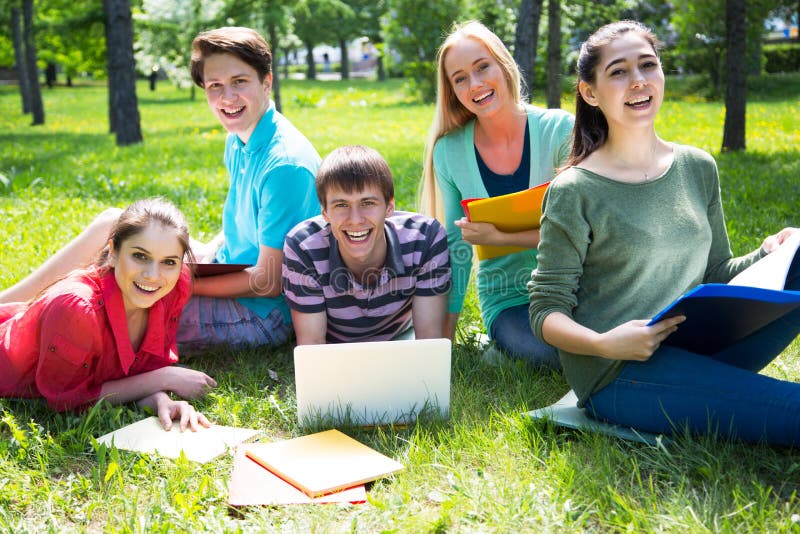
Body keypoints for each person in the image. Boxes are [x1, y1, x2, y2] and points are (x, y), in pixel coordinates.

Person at [528, 20, 800, 446]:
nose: (638, 81)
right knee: (793, 411)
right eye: (618, 71)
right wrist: (604, 344)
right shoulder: (574, 191)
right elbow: (545, 311)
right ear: (590, 92)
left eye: (647, 65)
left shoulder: (697, 166)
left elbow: (716, 269)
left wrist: (769, 253)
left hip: (702, 344)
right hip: (620, 373)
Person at [419, 20, 573, 367]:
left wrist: (501, 236)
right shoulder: (450, 151)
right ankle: (503, 345)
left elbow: (582, 232)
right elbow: (456, 248)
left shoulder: (560, 129)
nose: (475, 84)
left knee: (606, 346)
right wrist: (442, 342)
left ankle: (506, 353)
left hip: (576, 285)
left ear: (503, 65)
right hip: (511, 298)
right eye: (460, 78)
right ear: (452, 91)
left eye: (482, 67)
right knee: (563, 358)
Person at [0, 199, 217, 431]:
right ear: (113, 252)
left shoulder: (172, 289)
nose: (153, 275)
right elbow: (67, 399)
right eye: (140, 256)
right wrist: (165, 377)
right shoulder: (76, 309)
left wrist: (161, 401)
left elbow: (125, 376)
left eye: (169, 262)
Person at [181, 26, 321, 350]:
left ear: (267, 81)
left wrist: (186, 283)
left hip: (263, 315)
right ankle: (36, 300)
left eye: (239, 82)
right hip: (227, 271)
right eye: (215, 86)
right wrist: (207, 255)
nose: (227, 98)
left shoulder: (285, 166)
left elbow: (268, 281)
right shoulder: (239, 137)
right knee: (114, 226)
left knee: (129, 304)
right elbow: (243, 226)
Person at [283, 145, 451, 345]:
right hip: (334, 348)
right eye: (341, 205)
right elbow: (312, 347)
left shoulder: (425, 239)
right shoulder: (303, 248)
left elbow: (428, 342)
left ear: (389, 207)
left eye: (368, 203)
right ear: (325, 213)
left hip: (400, 339)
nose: (355, 219)